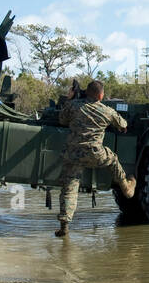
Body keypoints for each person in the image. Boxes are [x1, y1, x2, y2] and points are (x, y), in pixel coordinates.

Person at [56, 79, 135, 237]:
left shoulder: (73, 105)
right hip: (95, 153)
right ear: (100, 95)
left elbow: (62, 120)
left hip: (73, 153)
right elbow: (123, 125)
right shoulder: (106, 110)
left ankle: (64, 226)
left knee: (69, 188)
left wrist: (70, 99)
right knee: (113, 159)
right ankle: (127, 188)